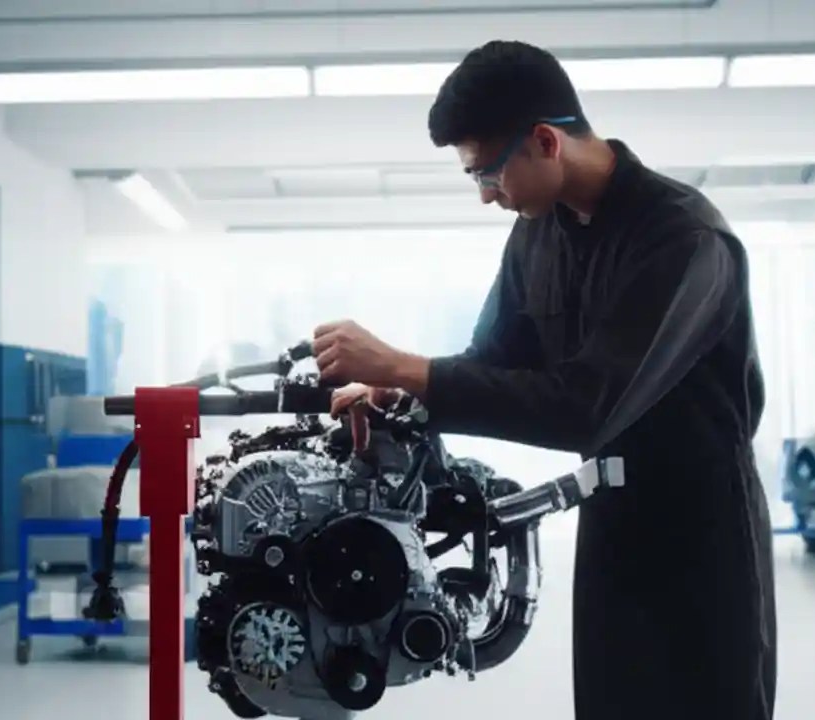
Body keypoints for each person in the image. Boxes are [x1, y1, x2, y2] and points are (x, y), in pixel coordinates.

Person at [311, 40, 776, 720]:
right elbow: (493, 359)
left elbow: (592, 406)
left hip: (701, 531)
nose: (485, 196)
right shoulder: (538, 233)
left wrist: (407, 366)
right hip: (613, 522)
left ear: (544, 141)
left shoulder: (683, 238)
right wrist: (400, 391)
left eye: (487, 174)